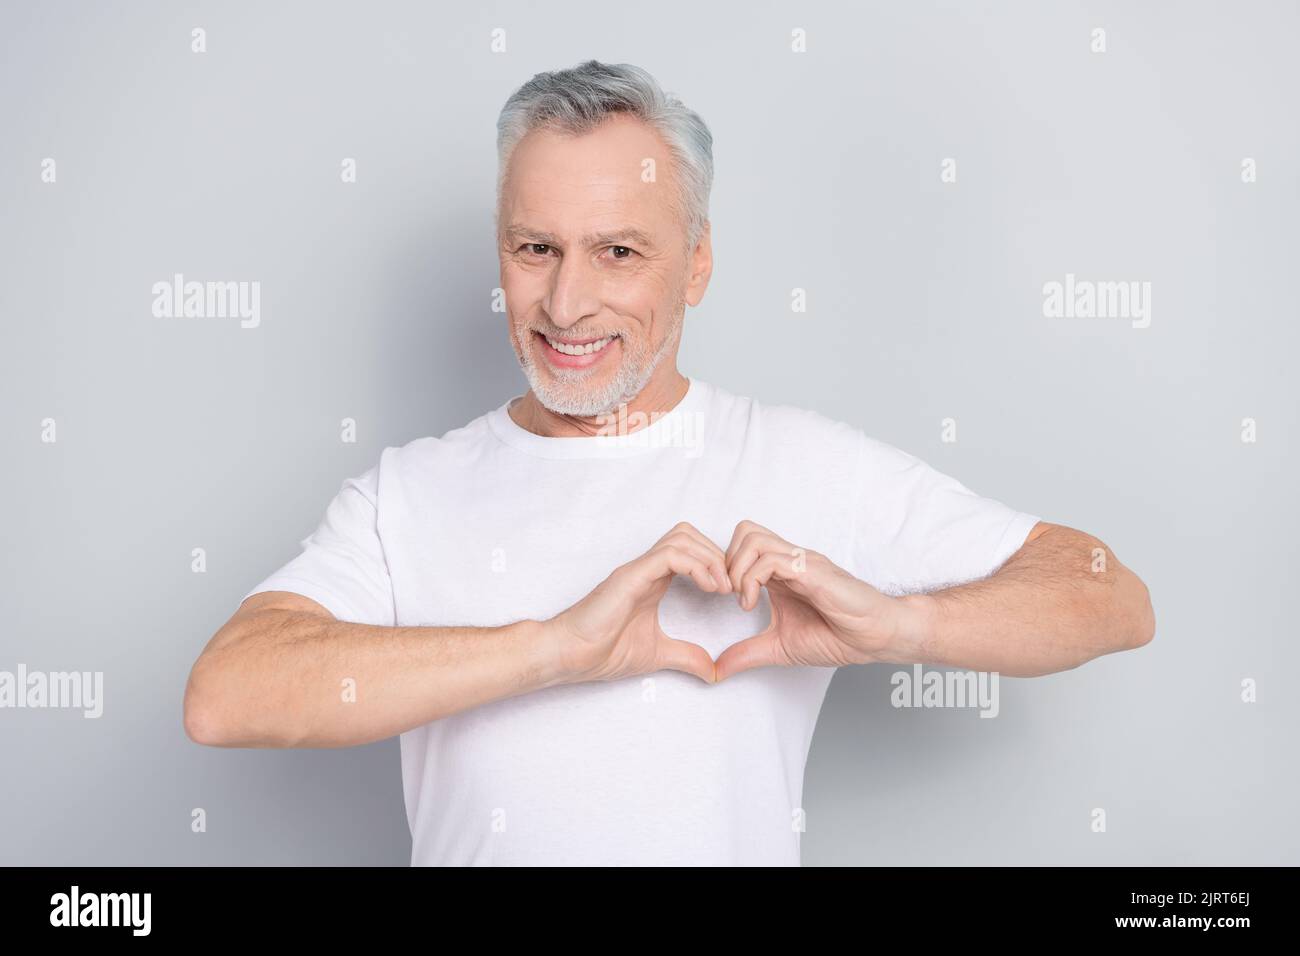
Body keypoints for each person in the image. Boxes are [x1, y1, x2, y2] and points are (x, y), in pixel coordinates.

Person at [182, 60, 1155, 866]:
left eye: (616, 252)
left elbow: (1107, 595)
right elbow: (226, 694)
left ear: (694, 261)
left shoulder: (799, 462)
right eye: (534, 248)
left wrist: (899, 621)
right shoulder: (409, 491)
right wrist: (554, 647)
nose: (565, 304)